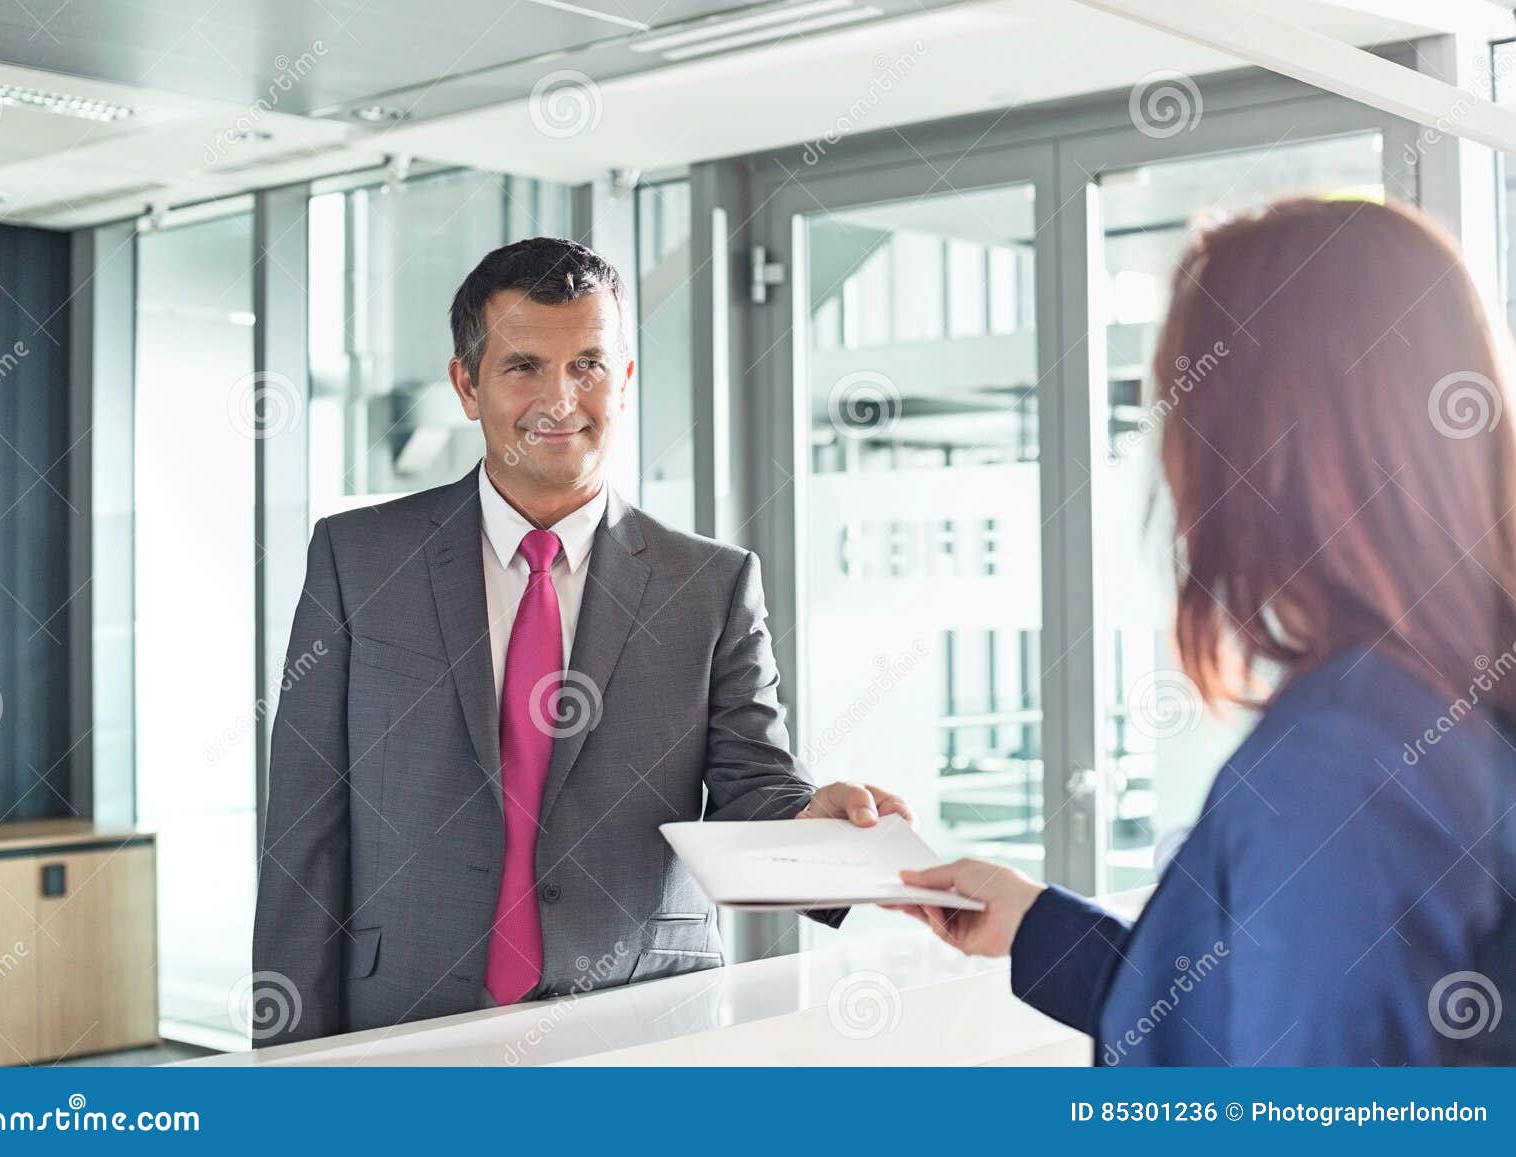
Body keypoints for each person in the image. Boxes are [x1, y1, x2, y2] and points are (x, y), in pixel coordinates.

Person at [896, 197, 1515, 1065]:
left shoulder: (1340, 761)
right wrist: (1036, 924)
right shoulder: (1452, 692)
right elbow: (1250, 1011)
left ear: (1258, 446)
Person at [253, 237, 908, 1046]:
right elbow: (305, 828)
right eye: (523, 366)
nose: (561, 399)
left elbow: (752, 783)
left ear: (624, 379)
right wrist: (284, 1067)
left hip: (638, 1020)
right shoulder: (360, 560)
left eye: (588, 365)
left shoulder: (711, 583)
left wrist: (814, 823)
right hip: (408, 1013)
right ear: (467, 385)